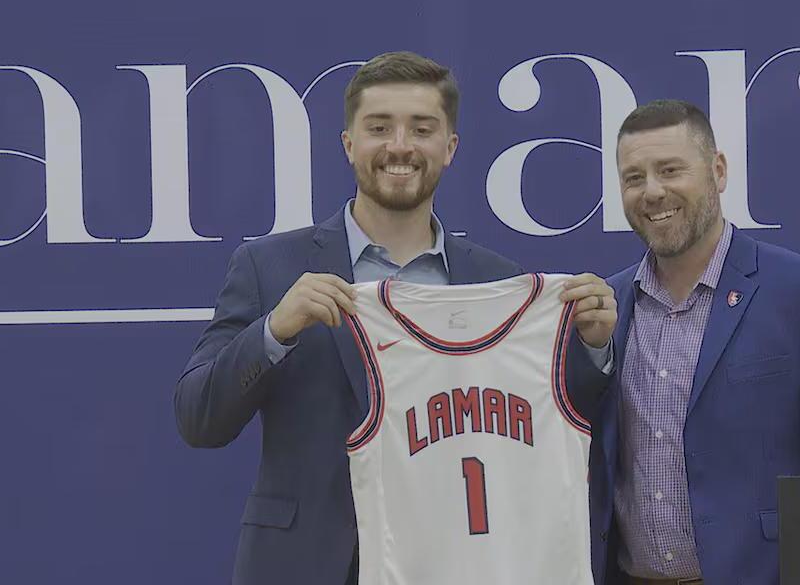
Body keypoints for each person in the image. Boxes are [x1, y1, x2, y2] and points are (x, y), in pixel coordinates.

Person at [175, 51, 615, 585]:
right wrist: (275, 330)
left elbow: (545, 423)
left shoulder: (497, 282)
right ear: (348, 144)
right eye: (379, 127)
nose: (400, 146)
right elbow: (198, 417)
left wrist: (592, 348)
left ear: (449, 148)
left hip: (452, 565)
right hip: (305, 565)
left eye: (421, 129)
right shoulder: (270, 268)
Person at [590, 99, 800, 585]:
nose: (653, 192)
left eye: (670, 170)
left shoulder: (790, 289)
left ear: (718, 171)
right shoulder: (608, 306)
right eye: (634, 178)